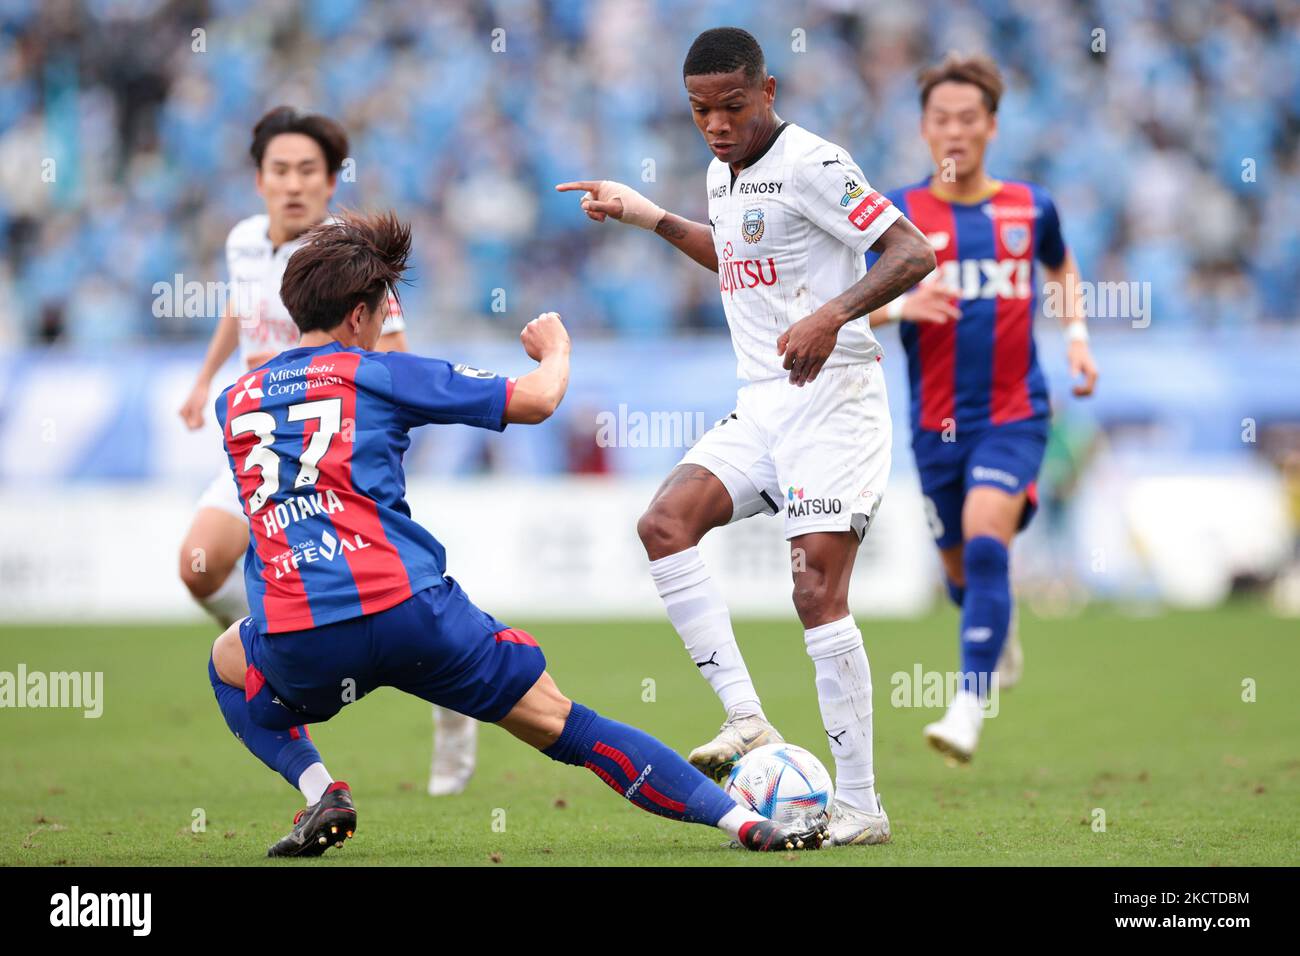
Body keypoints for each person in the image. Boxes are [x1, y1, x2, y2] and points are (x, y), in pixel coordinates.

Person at [206, 211, 824, 856]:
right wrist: (557, 350)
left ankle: (320, 791)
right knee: (569, 723)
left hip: (301, 634)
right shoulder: (381, 372)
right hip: (409, 612)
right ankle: (744, 823)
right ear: (363, 315)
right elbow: (536, 400)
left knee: (227, 664)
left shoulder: (235, 401)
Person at [556, 27, 935, 846]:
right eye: (700, 111)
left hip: (836, 401)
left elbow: (914, 250)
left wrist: (833, 314)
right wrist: (650, 216)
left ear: (769, 92)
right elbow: (734, 258)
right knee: (663, 525)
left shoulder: (814, 163)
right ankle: (748, 720)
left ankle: (863, 807)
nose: (717, 124)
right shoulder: (720, 173)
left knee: (814, 593)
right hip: (764, 401)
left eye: (732, 106)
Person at [175, 106, 476, 796]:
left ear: (332, 180)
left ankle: (449, 695)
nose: (293, 183)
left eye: (309, 170)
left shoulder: (344, 259)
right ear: (258, 180)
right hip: (259, 447)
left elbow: (393, 350)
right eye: (280, 170)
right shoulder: (244, 242)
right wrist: (203, 380)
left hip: (329, 458)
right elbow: (238, 306)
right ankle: (273, 633)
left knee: (387, 602)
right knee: (197, 567)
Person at [865, 53, 1099, 763]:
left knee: (989, 536)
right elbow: (841, 310)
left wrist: (1078, 338)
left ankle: (968, 703)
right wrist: (904, 301)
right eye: (942, 119)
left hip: (1015, 413)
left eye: (969, 118)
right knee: (964, 575)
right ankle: (999, 627)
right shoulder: (897, 215)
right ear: (924, 129)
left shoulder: (1031, 208)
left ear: (992, 126)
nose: (955, 132)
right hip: (934, 426)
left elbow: (1060, 264)